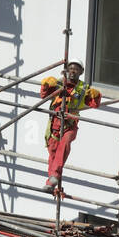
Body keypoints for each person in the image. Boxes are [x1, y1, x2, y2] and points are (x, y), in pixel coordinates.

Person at [40, 61, 101, 192]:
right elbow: (43, 95)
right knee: (53, 155)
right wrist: (45, 84)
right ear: (67, 70)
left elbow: (94, 104)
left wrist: (96, 95)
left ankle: (54, 176)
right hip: (54, 126)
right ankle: (51, 182)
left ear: (81, 72)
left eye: (76, 69)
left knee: (65, 143)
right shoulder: (57, 83)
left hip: (70, 125)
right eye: (71, 68)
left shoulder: (84, 88)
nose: (73, 71)